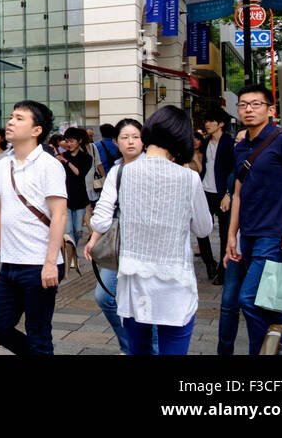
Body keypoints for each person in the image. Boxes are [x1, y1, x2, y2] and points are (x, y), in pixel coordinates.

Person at [87, 106, 211, 355]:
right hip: (175, 283)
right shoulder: (188, 178)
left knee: (139, 349)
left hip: (135, 284)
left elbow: (99, 223)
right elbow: (203, 227)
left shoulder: (121, 172)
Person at [218, 83, 282, 356]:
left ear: (270, 109)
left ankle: (269, 352)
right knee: (274, 302)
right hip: (247, 234)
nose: (249, 109)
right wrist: (231, 236)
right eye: (243, 105)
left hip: (275, 234)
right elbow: (238, 193)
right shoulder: (241, 146)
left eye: (256, 104)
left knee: (249, 299)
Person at [0, 100, 68, 356]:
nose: (11, 121)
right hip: (10, 263)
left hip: (39, 263)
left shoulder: (48, 164)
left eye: (19, 118)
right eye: (11, 116)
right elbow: (2, 210)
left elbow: (59, 214)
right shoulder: (4, 163)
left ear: (36, 130)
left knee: (38, 333)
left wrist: (51, 262)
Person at [83, 118, 145, 354]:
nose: (130, 141)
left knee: (144, 303)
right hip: (119, 243)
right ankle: (129, 345)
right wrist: (94, 239)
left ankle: (145, 347)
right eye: (125, 137)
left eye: (135, 137)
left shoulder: (154, 167)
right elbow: (105, 210)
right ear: (116, 142)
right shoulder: (116, 171)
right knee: (104, 295)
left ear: (143, 140)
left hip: (146, 246)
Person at [198, 108, 235, 285]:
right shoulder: (205, 143)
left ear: (220, 123)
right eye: (206, 121)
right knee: (201, 229)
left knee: (224, 233)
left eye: (211, 121)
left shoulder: (229, 143)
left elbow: (234, 170)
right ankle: (209, 263)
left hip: (222, 194)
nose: (207, 124)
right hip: (205, 192)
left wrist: (228, 194)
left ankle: (223, 270)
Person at [54, 126, 92, 246]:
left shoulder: (86, 158)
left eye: (72, 141)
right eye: (67, 141)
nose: (68, 144)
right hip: (65, 198)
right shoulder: (62, 156)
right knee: (68, 230)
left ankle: (72, 252)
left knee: (78, 230)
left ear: (79, 141)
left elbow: (79, 173)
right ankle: (71, 257)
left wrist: (66, 162)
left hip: (80, 198)